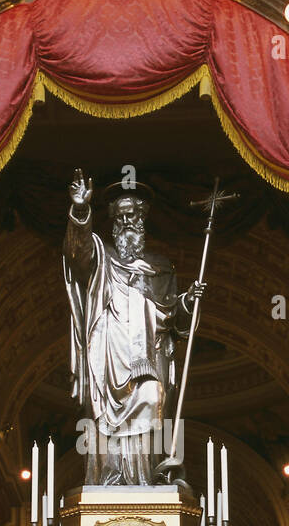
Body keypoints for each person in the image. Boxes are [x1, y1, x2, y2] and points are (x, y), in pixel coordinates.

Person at [63, 170, 202, 485]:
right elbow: (77, 253)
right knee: (102, 425)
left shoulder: (160, 266)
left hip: (148, 362)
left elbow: (172, 321)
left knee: (153, 400)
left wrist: (187, 302)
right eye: (122, 217)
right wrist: (81, 210)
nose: (128, 223)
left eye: (134, 216)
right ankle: (108, 478)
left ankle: (147, 478)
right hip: (107, 357)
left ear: (143, 221)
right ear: (112, 222)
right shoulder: (102, 258)